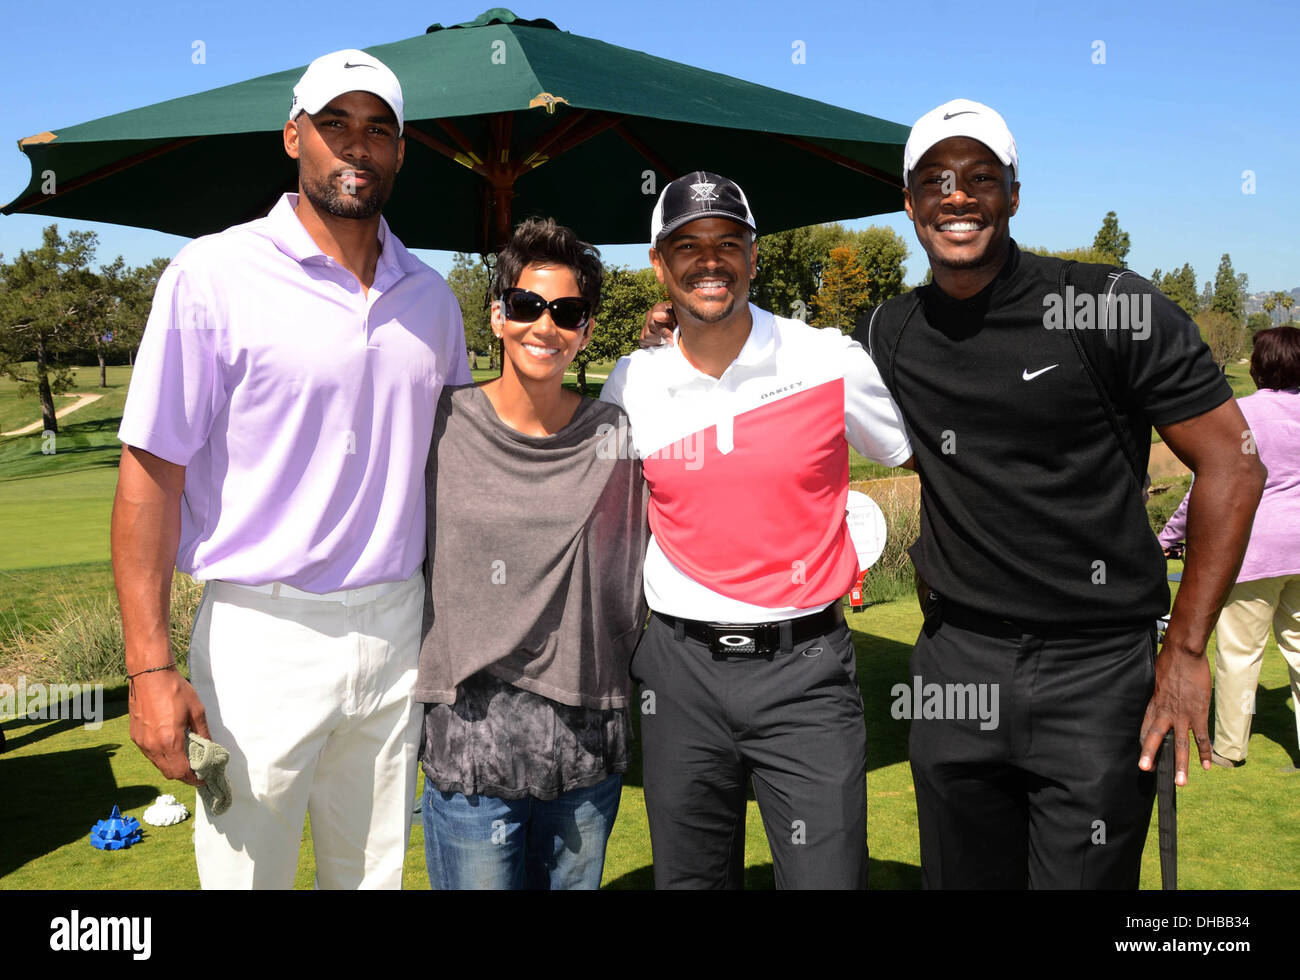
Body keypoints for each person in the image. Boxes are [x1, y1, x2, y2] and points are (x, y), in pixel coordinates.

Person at [851, 99, 1266, 887]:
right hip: (955, 663)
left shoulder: (1109, 305)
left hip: (1097, 671)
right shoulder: (886, 332)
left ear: (1013, 192)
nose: (957, 195)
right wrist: (686, 337)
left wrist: (1184, 650)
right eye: (935, 179)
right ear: (909, 203)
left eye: (981, 177)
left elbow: (1235, 466)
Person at [112, 49, 470, 889]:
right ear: (292, 135)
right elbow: (148, 476)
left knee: (373, 876)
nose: (358, 145)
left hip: (396, 629)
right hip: (259, 640)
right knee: (247, 878)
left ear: (401, 152)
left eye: (379, 129)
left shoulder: (431, 296)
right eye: (335, 124)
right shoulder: (213, 275)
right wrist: (150, 668)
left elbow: (456, 467)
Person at [602, 172, 914, 889]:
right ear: (659, 263)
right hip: (678, 676)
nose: (709, 259)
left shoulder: (828, 360)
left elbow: (914, 459)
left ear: (753, 254)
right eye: (687, 244)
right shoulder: (632, 382)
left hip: (806, 673)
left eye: (727, 242)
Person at [415, 218, 649, 890]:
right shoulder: (440, 424)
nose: (545, 326)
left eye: (567, 312)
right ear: (497, 315)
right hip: (471, 745)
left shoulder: (618, 435)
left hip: (586, 742)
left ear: (587, 330)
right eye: (526, 306)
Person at [1158, 325, 1300, 768]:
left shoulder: (1239, 415)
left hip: (1254, 550)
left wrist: (1166, 537)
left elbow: (1207, 487)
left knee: (1240, 651)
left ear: (1258, 367)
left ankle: (1229, 748)